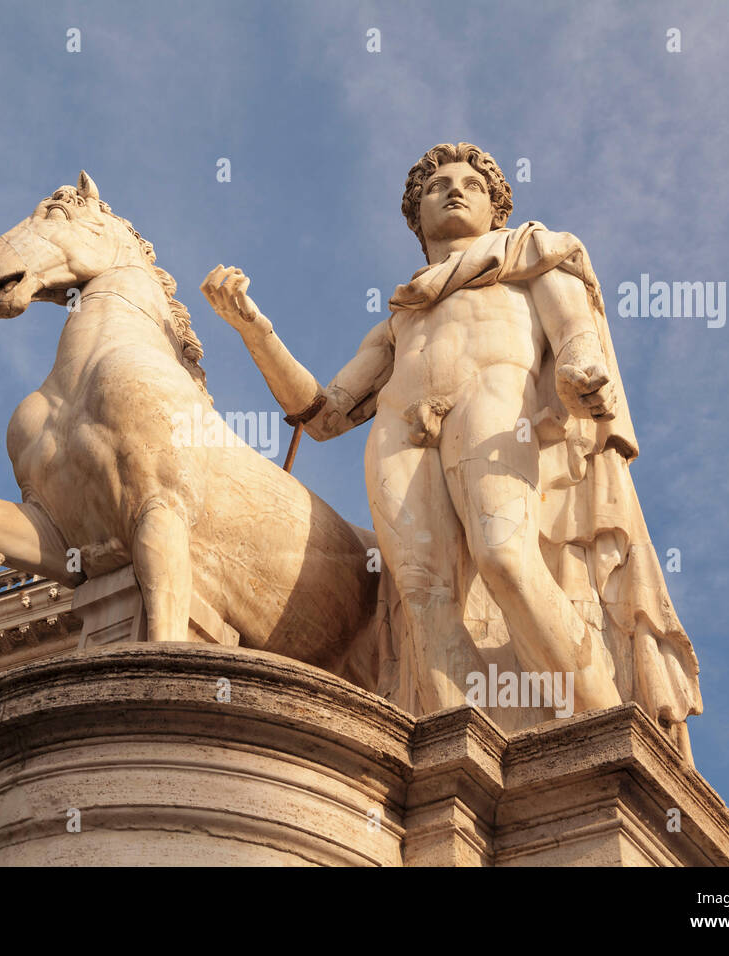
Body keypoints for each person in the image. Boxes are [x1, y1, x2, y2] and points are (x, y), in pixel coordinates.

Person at [201, 143, 700, 759]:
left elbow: (574, 330)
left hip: (494, 399)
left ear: (496, 209)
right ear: (417, 217)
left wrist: (578, 368)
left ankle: (607, 730)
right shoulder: (401, 316)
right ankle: (457, 764)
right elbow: (324, 414)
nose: (454, 190)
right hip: (399, 428)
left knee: (504, 558)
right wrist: (255, 329)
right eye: (437, 185)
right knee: (421, 594)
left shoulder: (532, 253)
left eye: (471, 184)